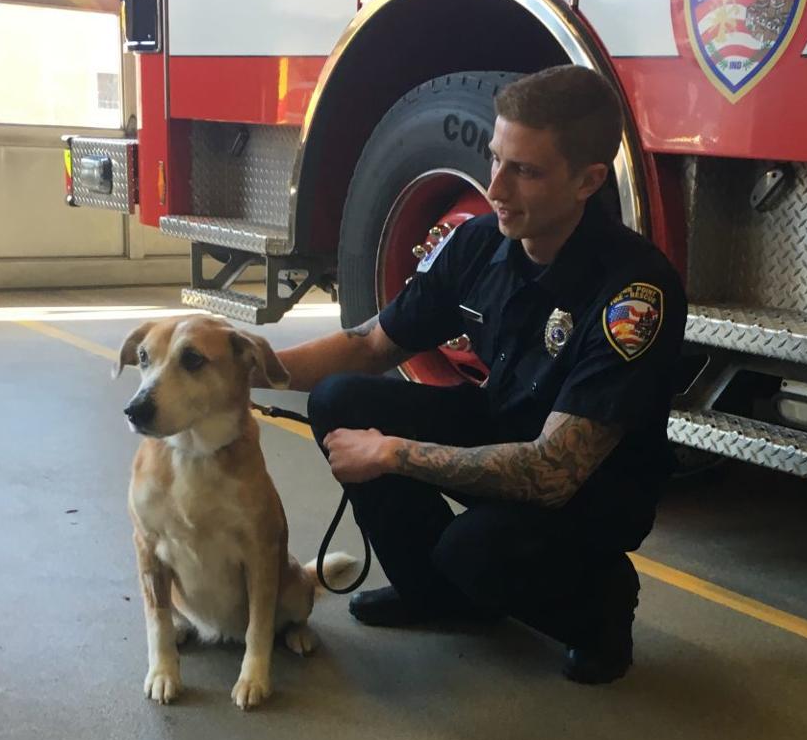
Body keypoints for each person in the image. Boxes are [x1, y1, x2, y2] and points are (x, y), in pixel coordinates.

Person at [273, 66, 686, 684]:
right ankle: (434, 595)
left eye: (525, 170)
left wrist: (394, 454)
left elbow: (551, 474)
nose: (495, 187)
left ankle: (599, 609)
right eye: (495, 159)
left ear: (588, 181)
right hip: (504, 425)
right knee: (341, 397)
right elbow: (370, 346)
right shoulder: (479, 243)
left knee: (475, 548)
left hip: (584, 495)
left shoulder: (634, 291)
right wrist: (247, 366)